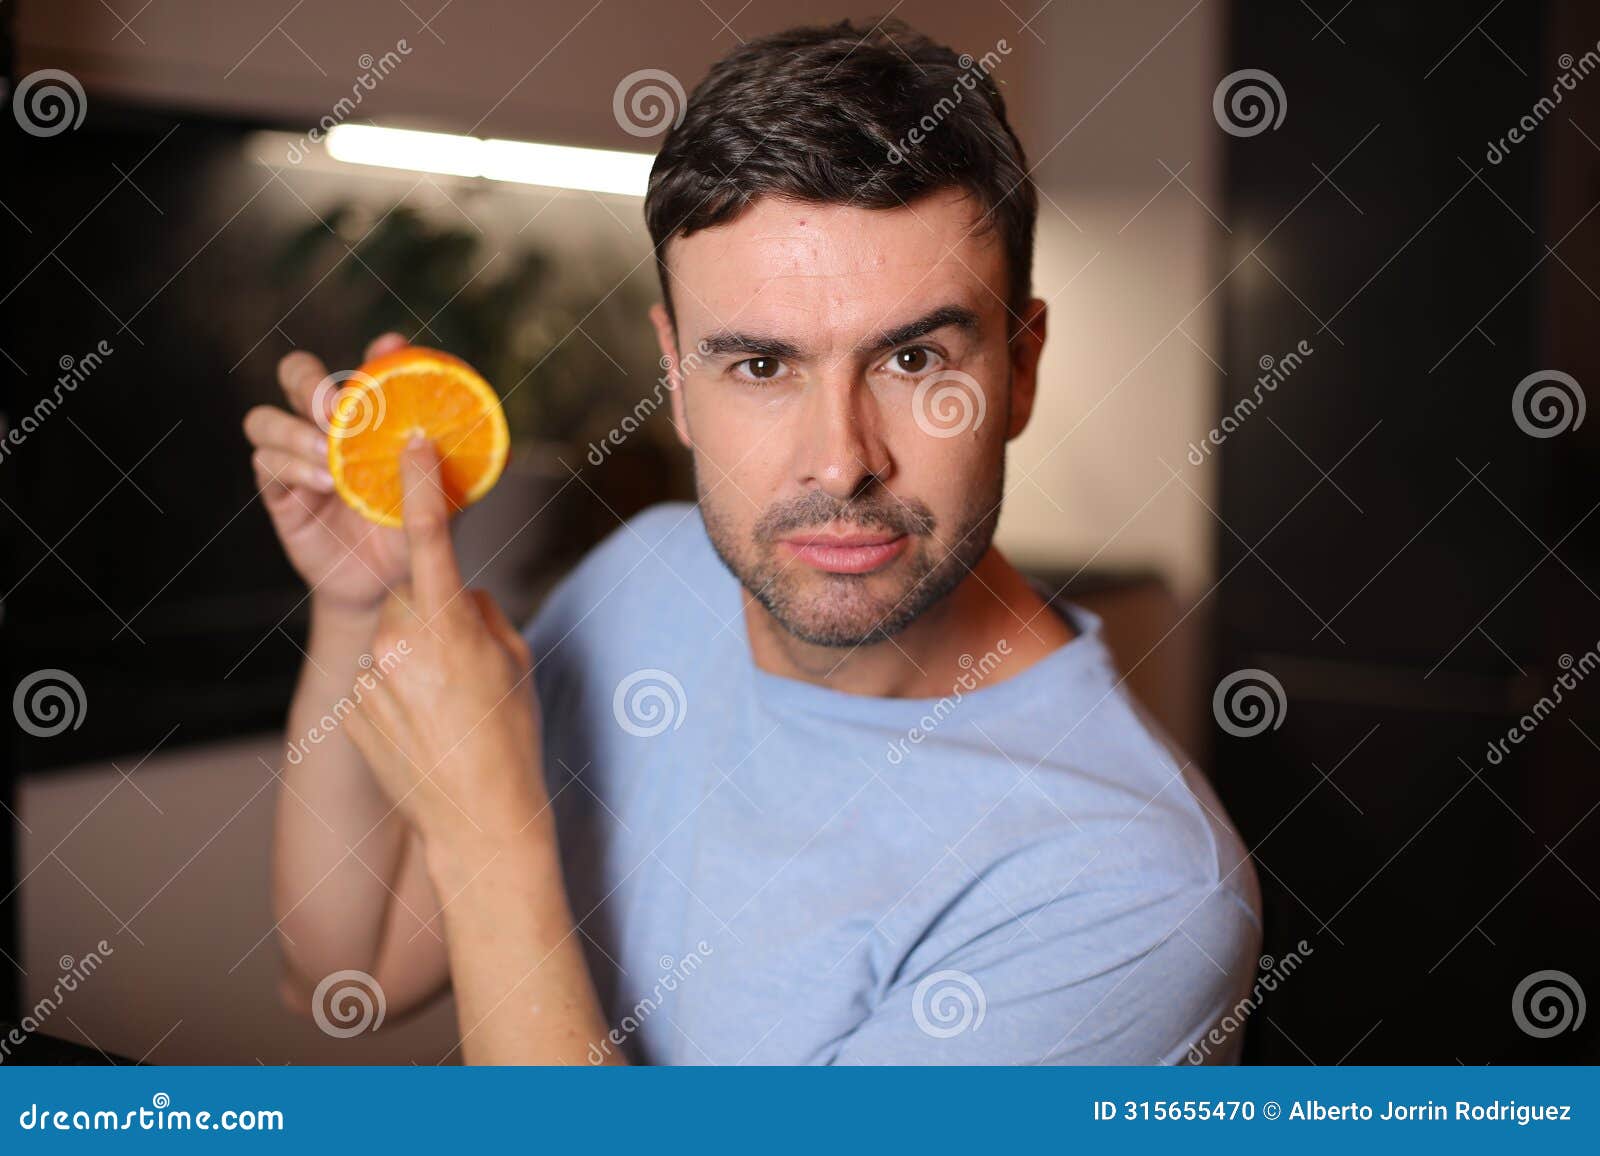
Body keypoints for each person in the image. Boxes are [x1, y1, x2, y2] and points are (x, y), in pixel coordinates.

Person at [244, 18, 1260, 1065]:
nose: (841, 460)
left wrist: (490, 841)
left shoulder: (1128, 893)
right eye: (763, 368)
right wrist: (357, 604)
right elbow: (343, 970)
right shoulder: (642, 579)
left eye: (913, 358)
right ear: (678, 381)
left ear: (1022, 365)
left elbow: (468, 885)